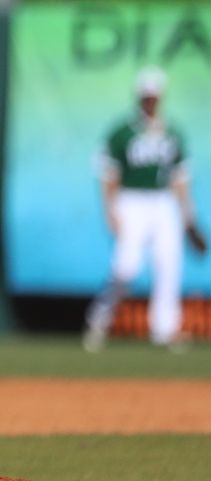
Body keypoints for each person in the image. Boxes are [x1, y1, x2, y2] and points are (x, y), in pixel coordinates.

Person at [84, 65, 197, 351]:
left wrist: (188, 218)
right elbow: (108, 174)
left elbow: (179, 179)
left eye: (155, 95)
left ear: (161, 96)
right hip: (131, 200)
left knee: (168, 263)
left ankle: (165, 329)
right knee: (127, 266)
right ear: (139, 96)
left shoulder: (171, 133)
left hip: (163, 202)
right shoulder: (122, 133)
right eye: (147, 95)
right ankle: (100, 317)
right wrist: (110, 209)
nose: (151, 100)